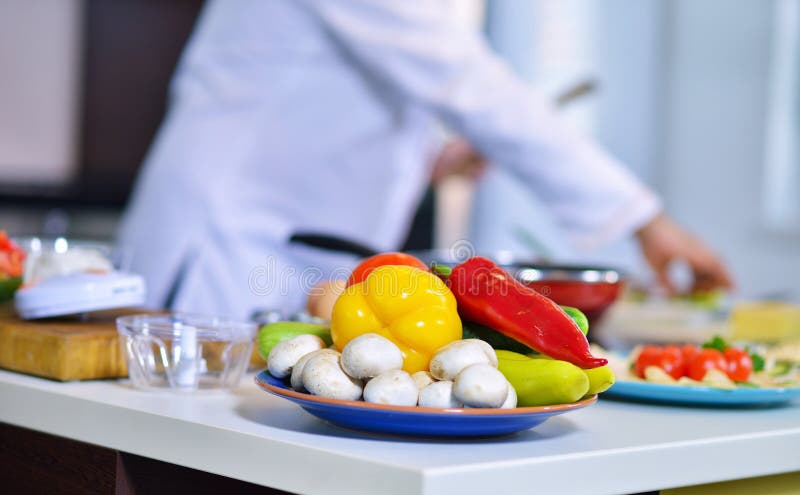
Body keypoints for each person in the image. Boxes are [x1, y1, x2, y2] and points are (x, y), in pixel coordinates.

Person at [118, 0, 732, 319]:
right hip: (224, 249)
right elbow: (473, 87)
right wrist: (644, 218)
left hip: (283, 246)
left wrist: (429, 159)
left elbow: (317, 94)